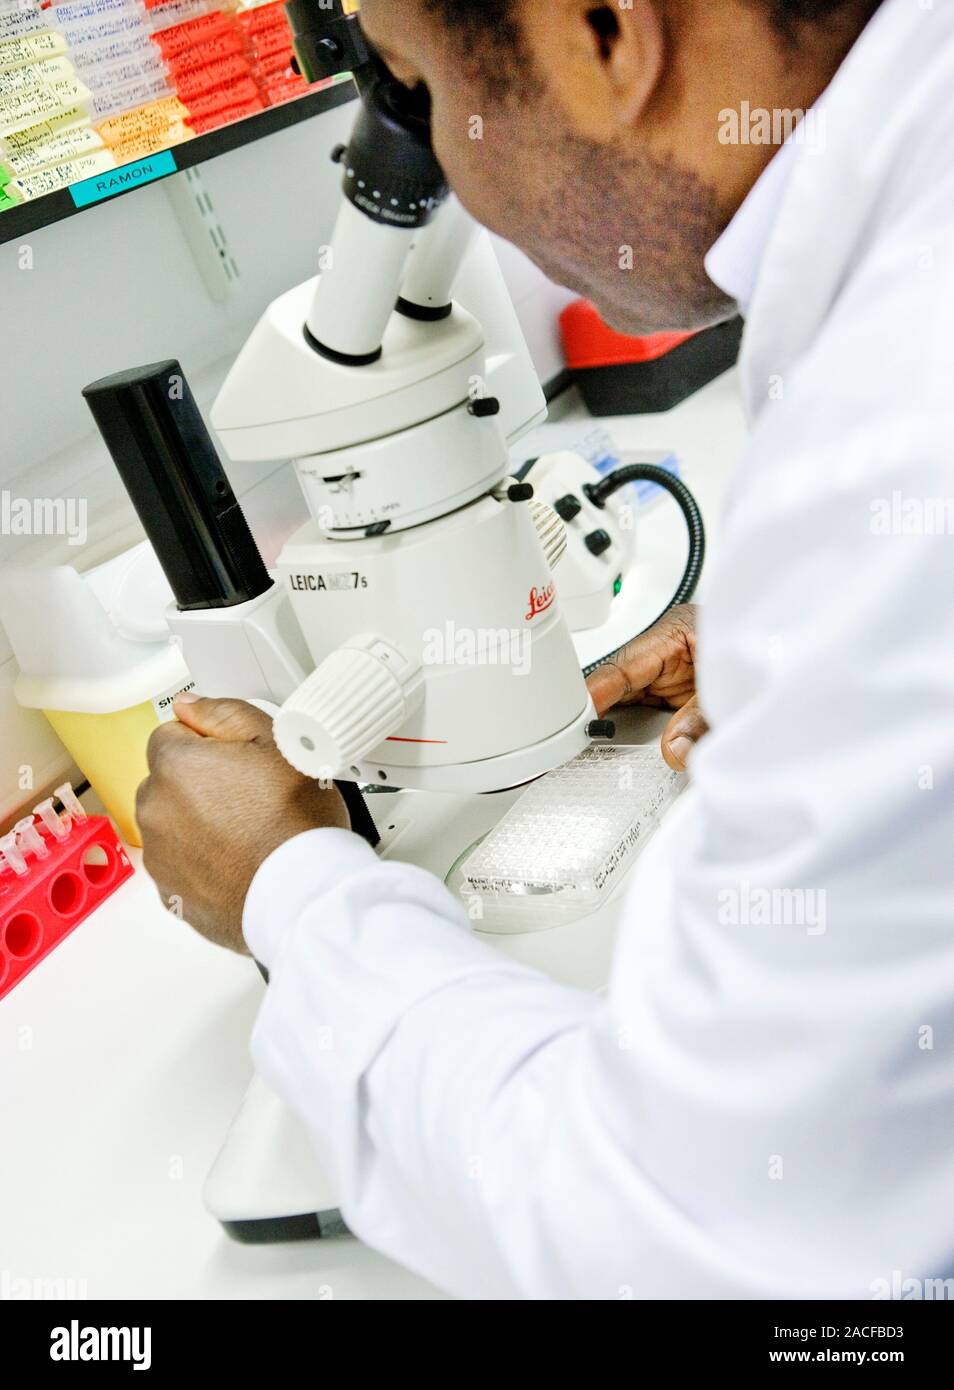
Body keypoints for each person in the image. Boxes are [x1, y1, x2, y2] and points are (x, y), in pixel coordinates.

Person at [137, 0, 954, 1298]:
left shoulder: (894, 441)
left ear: (602, 30)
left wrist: (289, 890)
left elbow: (688, 1233)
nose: (450, 181)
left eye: (417, 88)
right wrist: (799, 670)